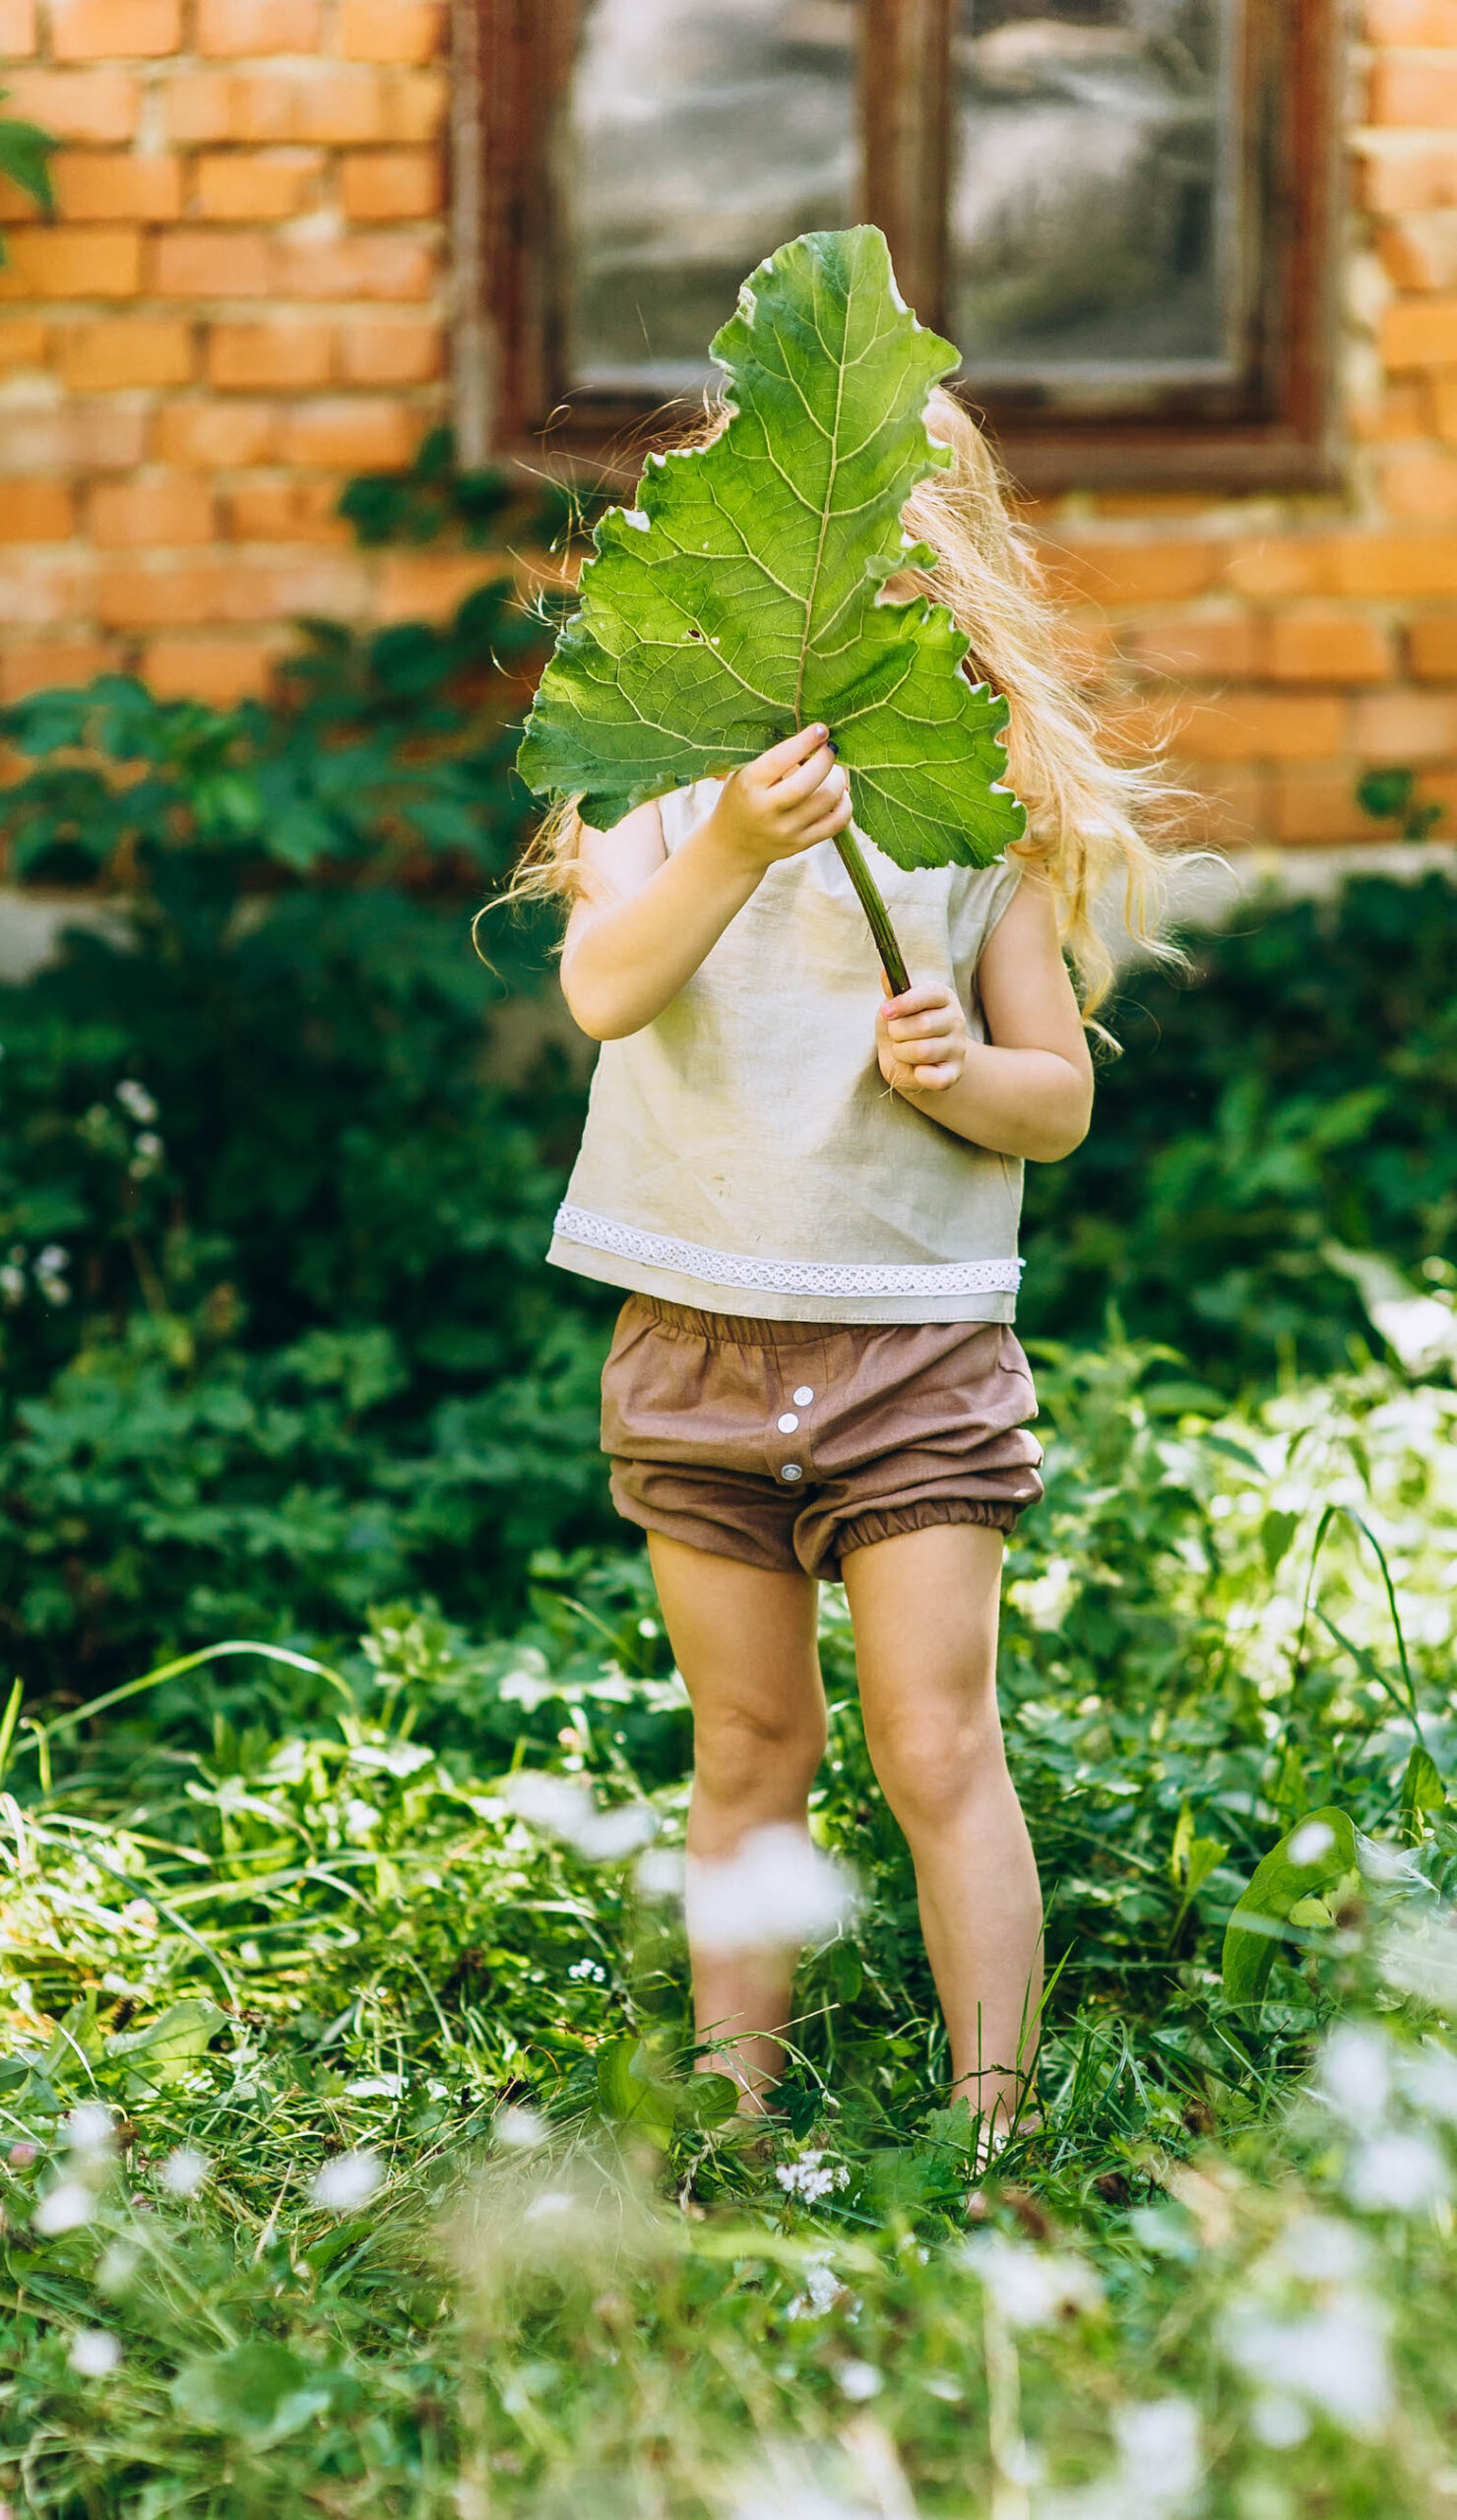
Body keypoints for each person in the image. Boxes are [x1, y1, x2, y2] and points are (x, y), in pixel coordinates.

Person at [509, 389, 1173, 2146]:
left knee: (939, 1745)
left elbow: (1062, 1101)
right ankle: (733, 2109)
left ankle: (993, 2118)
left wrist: (971, 1075)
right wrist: (730, 840)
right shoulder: (658, 765)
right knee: (748, 1750)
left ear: (927, 559)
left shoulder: (979, 795)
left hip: (914, 1350)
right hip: (697, 1335)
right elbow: (601, 991)